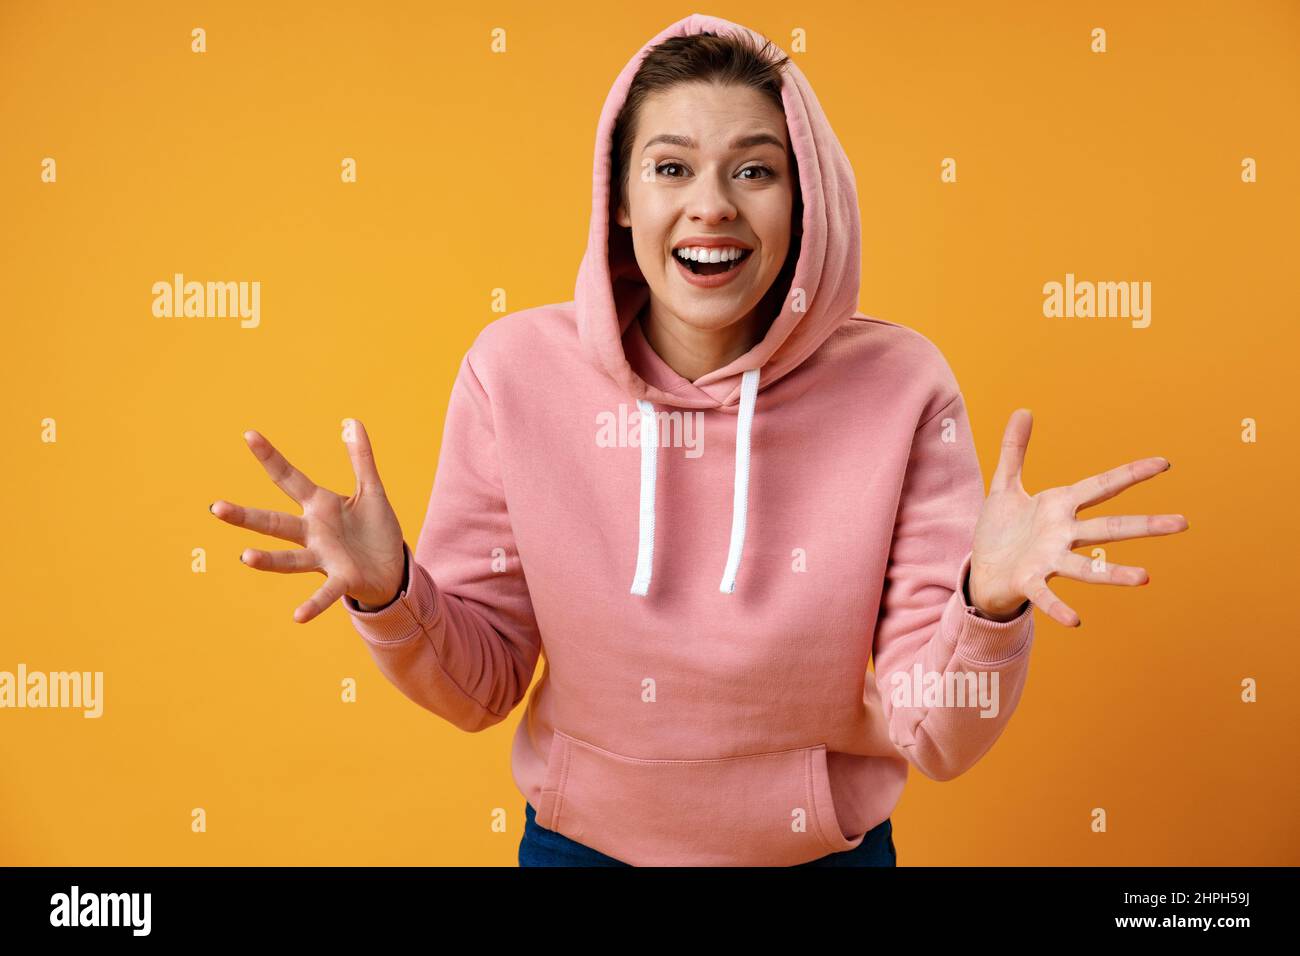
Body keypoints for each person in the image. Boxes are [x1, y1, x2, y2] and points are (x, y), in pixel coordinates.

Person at [210, 14, 1188, 867]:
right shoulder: (513, 371)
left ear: (803, 202)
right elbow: (481, 685)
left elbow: (933, 730)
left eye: (753, 169)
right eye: (671, 166)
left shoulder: (900, 386)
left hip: (825, 860)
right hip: (580, 855)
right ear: (621, 199)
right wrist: (392, 594)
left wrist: (988, 603)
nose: (711, 203)